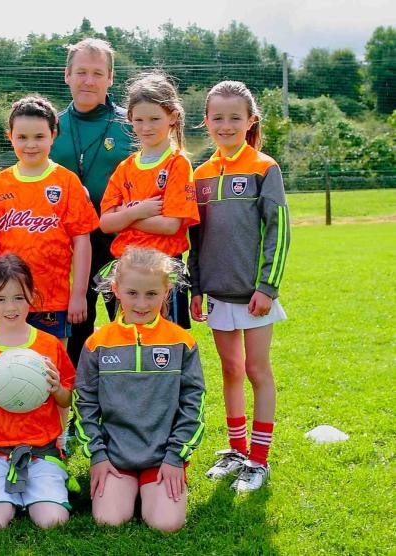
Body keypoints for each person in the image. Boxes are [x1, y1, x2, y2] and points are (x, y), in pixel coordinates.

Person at [189, 81, 291, 493]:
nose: (226, 125)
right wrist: (196, 287)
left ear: (250, 121)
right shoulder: (200, 174)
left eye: (235, 117)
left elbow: (279, 231)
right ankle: (235, 450)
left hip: (254, 295)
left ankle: (259, 459)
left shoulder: (264, 167)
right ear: (206, 121)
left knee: (255, 370)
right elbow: (194, 238)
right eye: (218, 117)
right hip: (216, 293)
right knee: (230, 370)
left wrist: (267, 286)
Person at [73, 247, 205, 532]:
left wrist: (175, 457)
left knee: (166, 524)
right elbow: (84, 403)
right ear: (116, 290)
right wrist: (97, 454)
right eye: (132, 293)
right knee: (109, 520)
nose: (142, 304)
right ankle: (129, 490)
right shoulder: (98, 342)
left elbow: (193, 404)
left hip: (163, 457)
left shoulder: (181, 341)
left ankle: (150, 491)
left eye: (151, 294)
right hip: (115, 457)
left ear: (166, 291)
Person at [0, 254, 75, 530]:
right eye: (0, 299)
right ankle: (5, 492)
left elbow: (67, 398)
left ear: (32, 297)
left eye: (19, 298)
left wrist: (57, 389)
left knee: (52, 520)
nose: (10, 307)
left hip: (42, 448)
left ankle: (41, 487)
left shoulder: (49, 345)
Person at [0, 96, 99, 345]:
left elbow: (82, 241)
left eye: (39, 136)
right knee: (10, 363)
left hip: (54, 298)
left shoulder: (67, 182)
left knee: (52, 364)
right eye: (22, 137)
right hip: (7, 298)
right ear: (10, 136)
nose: (30, 145)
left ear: (53, 135)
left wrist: (79, 294)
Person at [51, 38, 134, 367]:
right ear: (67, 75)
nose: (88, 81)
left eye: (98, 73)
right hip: (67, 244)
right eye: (81, 72)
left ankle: (126, 386)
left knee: (126, 320)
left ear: (110, 78)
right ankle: (75, 390)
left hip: (120, 240)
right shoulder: (50, 127)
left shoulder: (132, 124)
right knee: (75, 322)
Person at [100, 71, 199, 329]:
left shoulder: (177, 164)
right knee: (126, 340)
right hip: (126, 269)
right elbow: (106, 223)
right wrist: (139, 212)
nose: (146, 127)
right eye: (139, 120)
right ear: (130, 119)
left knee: (165, 341)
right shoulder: (125, 168)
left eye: (155, 119)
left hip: (164, 270)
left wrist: (127, 215)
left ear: (172, 117)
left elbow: (170, 225)